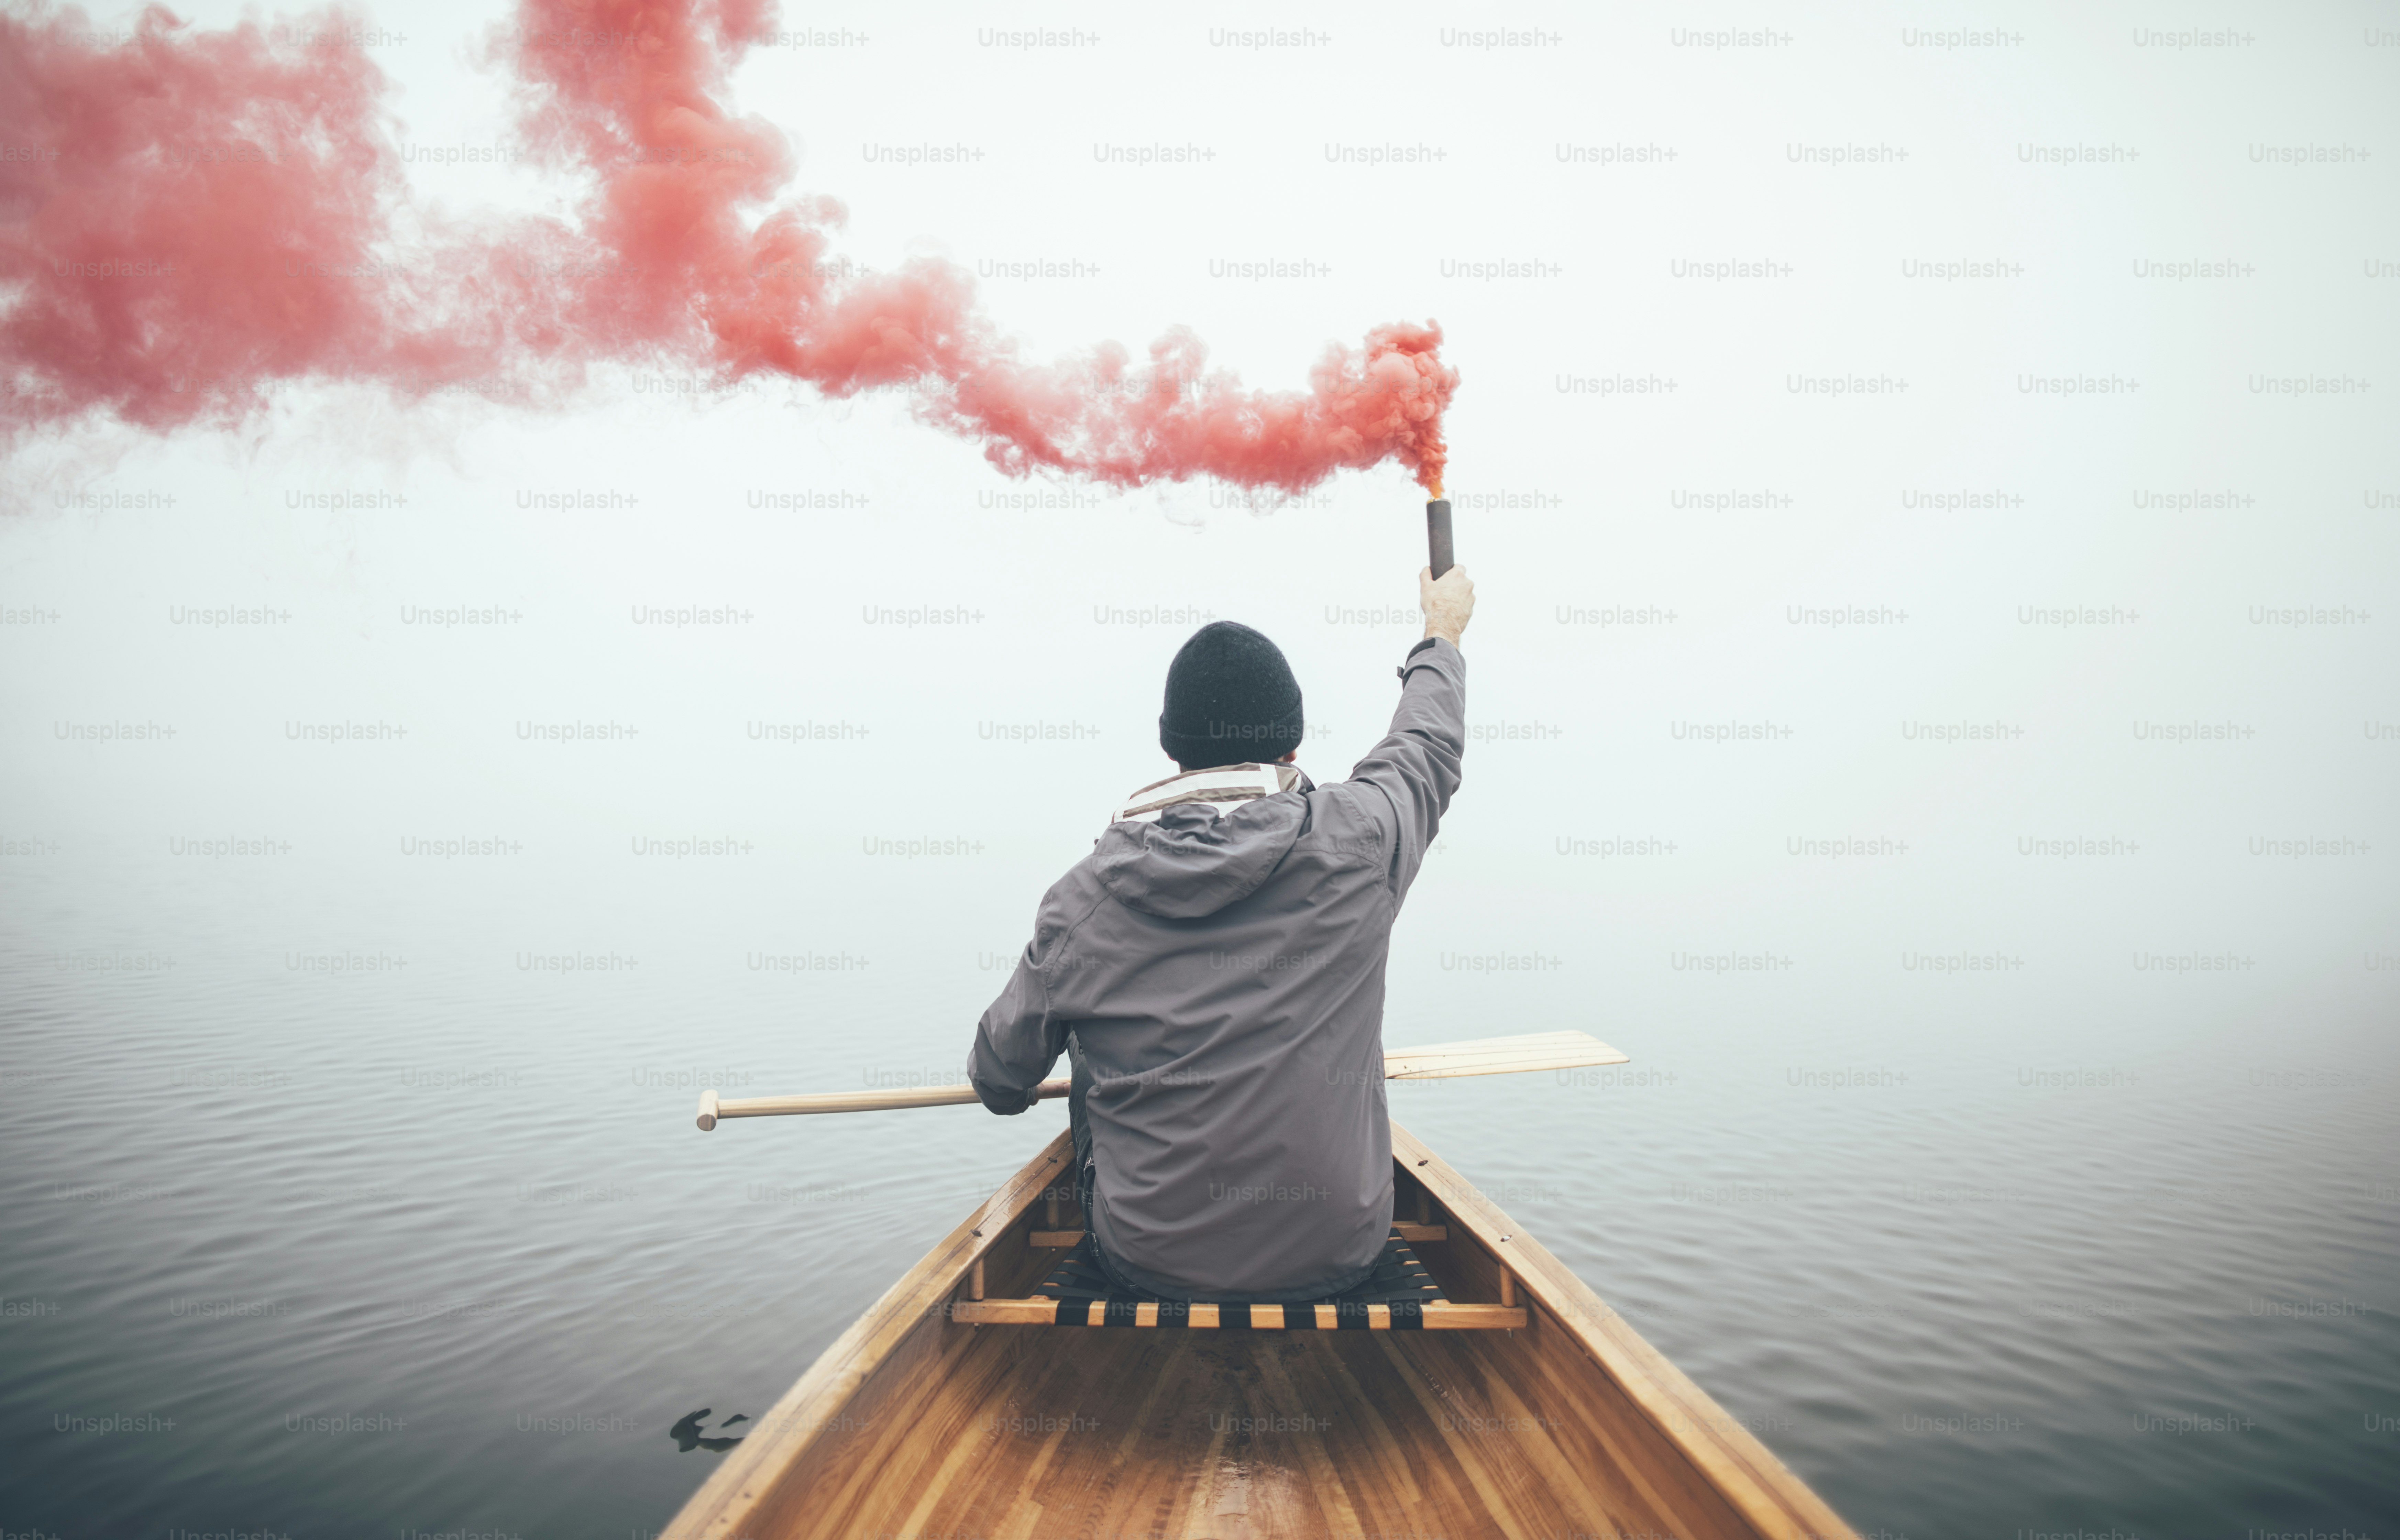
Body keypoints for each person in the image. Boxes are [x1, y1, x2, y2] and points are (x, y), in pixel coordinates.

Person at [967, 562, 1475, 1301]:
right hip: (1340, 1249)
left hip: (1148, 1261)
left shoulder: (1080, 900)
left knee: (1078, 1036)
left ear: (1170, 746)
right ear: (1293, 746)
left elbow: (1000, 1080)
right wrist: (1441, 631)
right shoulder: (1363, 837)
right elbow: (1427, 742)